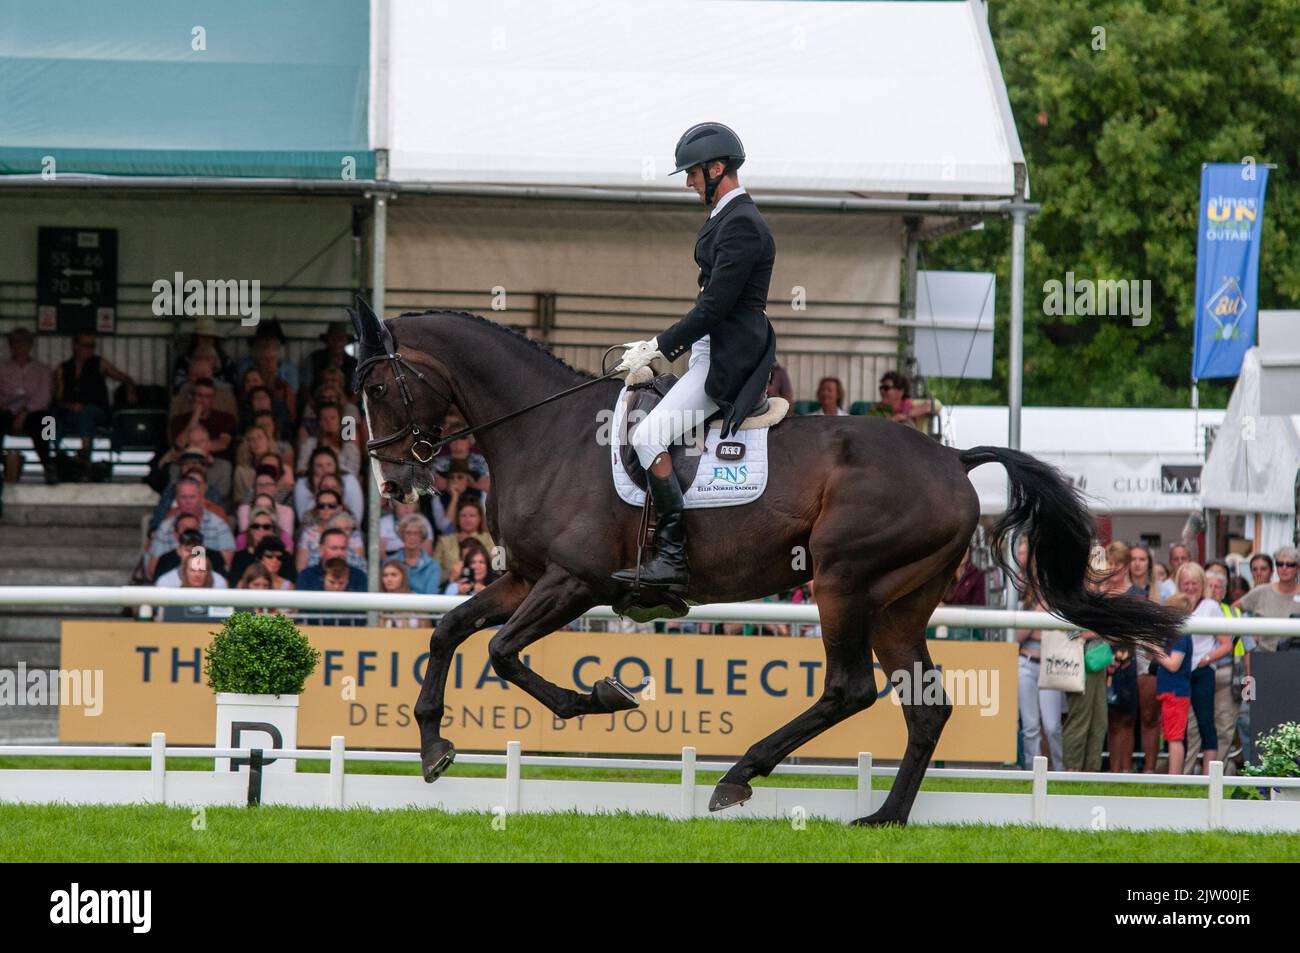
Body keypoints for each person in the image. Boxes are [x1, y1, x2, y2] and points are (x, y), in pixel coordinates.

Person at [611, 122, 776, 596]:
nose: (688, 183)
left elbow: (716, 305)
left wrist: (660, 346)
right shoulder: (729, 218)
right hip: (711, 350)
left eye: (692, 174)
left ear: (716, 168)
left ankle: (672, 559)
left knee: (648, 436)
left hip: (726, 360)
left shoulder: (741, 222)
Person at [53, 333, 135, 479]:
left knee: (87, 412)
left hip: (97, 412)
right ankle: (55, 455)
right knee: (48, 418)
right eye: (86, 345)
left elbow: (124, 377)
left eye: (92, 346)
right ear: (75, 346)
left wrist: (130, 388)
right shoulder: (63, 368)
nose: (90, 349)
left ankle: (84, 456)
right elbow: (57, 399)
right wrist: (70, 406)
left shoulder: (99, 363)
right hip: (71, 412)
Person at [1184, 569, 1240, 773]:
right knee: (1191, 728)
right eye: (1211, 585)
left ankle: (1216, 774)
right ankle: (1187, 774)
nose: (1214, 590)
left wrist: (1205, 659)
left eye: (1218, 586)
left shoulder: (1226, 610)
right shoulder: (1183, 604)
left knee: (1220, 725)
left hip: (1222, 673)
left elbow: (1240, 647)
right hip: (1192, 673)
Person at [0, 326, 57, 484]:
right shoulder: (2, 368)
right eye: (15, 343)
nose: (19, 347)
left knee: (48, 424)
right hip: (7, 410)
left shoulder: (43, 369)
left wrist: (24, 412)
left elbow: (44, 397)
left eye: (23, 343)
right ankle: (6, 462)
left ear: (30, 346)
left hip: (35, 412)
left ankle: (49, 464)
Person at [1127, 544, 1163, 772]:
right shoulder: (1121, 591)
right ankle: (1123, 767)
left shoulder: (1158, 593)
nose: (1137, 563)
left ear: (1148, 563)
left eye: (1142, 559)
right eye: (1133, 559)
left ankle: (1150, 769)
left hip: (1149, 659)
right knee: (1125, 716)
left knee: (1149, 716)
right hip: (1123, 655)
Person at [1155, 592, 1196, 775]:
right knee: (1172, 736)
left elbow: (1173, 664)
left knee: (1174, 737)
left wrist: (1154, 649)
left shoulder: (1180, 635)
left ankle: (1174, 777)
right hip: (1171, 692)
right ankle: (1174, 775)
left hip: (1175, 693)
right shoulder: (1175, 634)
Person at [1233, 545, 1299, 653]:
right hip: (1264, 654)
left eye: (1290, 564)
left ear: (1298, 568)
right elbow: (1232, 610)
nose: (1284, 568)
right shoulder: (1261, 591)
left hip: (1296, 655)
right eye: (1280, 564)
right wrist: (1249, 637)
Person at [434, 498, 495, 580]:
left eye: (472, 515)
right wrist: (452, 575)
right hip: (451, 586)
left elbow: (496, 569)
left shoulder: (490, 540)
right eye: (463, 515)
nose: (467, 519)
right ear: (457, 518)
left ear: (480, 519)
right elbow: (433, 571)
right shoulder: (444, 541)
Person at [297, 528, 369, 591]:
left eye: (343, 548)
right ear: (321, 549)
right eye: (334, 548)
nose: (339, 553)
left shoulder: (359, 577)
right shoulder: (307, 577)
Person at [395, 513, 441, 595]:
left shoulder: (432, 566)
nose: (412, 537)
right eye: (408, 533)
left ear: (422, 537)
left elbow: (431, 596)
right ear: (402, 536)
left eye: (416, 533)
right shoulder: (391, 562)